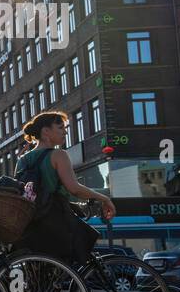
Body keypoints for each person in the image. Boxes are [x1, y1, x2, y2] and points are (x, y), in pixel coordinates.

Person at [14, 111, 114, 264]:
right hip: (56, 219)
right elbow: (74, 188)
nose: (65, 131)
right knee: (82, 245)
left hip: (30, 223)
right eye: (60, 128)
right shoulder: (58, 155)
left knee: (40, 272)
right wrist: (104, 198)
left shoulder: (22, 160)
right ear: (46, 131)